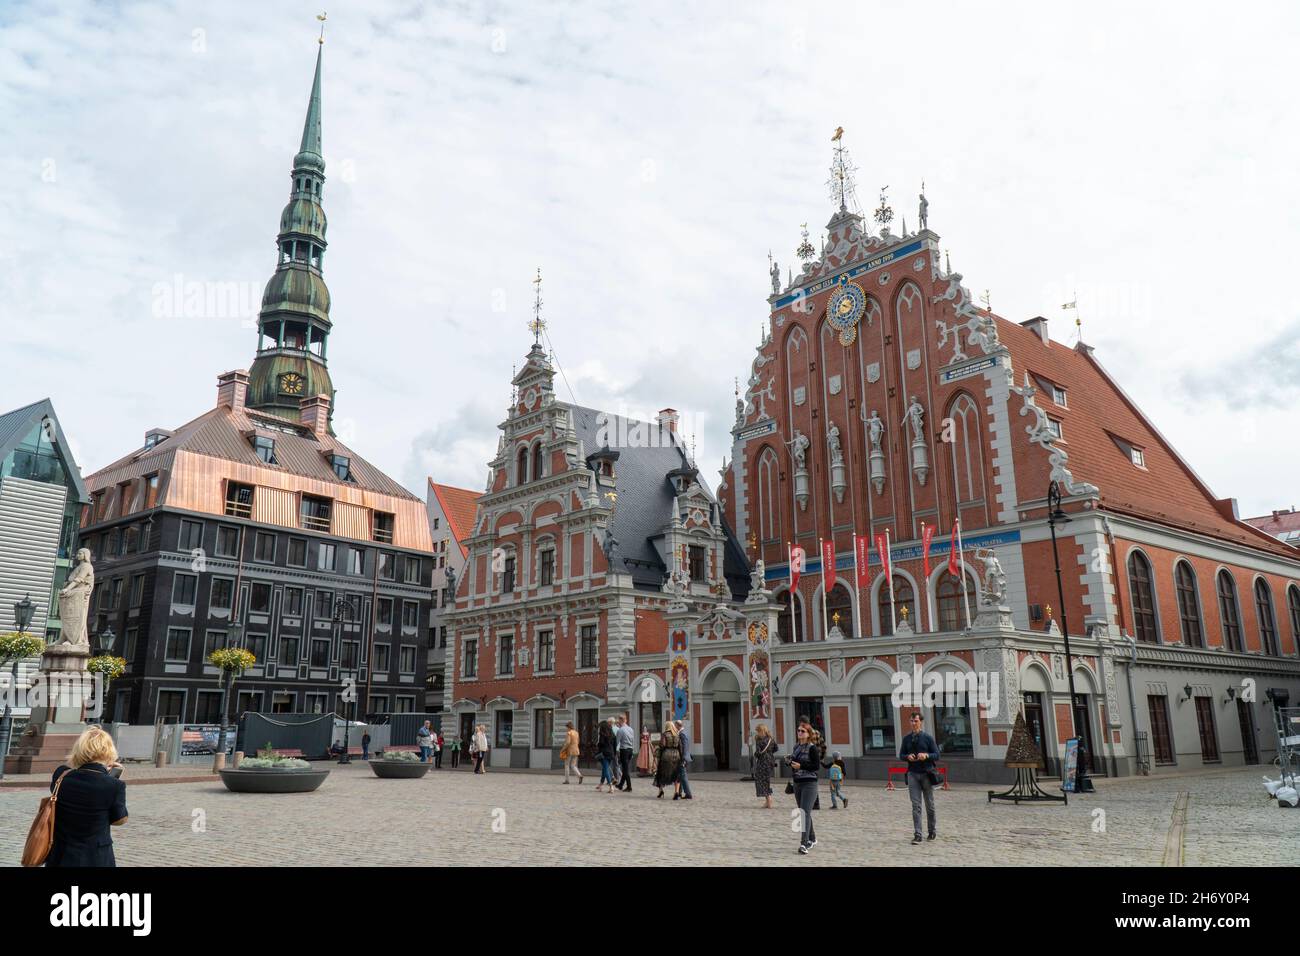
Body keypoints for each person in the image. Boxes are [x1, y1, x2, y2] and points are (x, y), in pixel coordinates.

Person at [46, 726, 128, 867]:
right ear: (109, 751)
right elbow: (119, 819)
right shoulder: (114, 785)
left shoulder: (61, 775)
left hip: (60, 854)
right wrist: (111, 775)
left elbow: (74, 770)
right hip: (95, 857)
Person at [900, 711, 939, 844]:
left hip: (926, 774)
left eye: (916, 721)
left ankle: (932, 830)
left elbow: (937, 754)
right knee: (915, 805)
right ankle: (918, 834)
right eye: (911, 721)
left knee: (930, 805)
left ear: (920, 722)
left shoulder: (927, 738)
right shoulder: (906, 739)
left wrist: (926, 756)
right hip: (912, 774)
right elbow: (901, 754)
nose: (913, 723)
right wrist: (907, 757)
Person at [789, 721, 820, 854]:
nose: (799, 733)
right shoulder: (796, 747)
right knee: (804, 811)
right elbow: (795, 763)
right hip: (797, 783)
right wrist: (789, 762)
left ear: (808, 734)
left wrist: (800, 766)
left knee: (804, 813)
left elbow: (816, 766)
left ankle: (804, 844)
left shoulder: (812, 748)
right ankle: (812, 838)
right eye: (798, 730)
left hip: (809, 783)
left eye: (802, 731)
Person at [752, 724, 778, 809]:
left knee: (760, 780)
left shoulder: (759, 741)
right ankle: (767, 801)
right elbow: (776, 748)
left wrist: (756, 754)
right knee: (766, 780)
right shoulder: (771, 739)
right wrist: (769, 754)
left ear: (761, 731)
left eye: (758, 731)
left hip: (762, 763)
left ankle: (768, 799)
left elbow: (758, 753)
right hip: (770, 762)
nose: (757, 733)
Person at [654, 722, 681, 799]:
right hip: (676, 755)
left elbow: (662, 745)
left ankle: (661, 790)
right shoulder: (677, 734)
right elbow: (680, 746)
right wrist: (681, 758)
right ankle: (676, 792)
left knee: (661, 772)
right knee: (676, 774)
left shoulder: (665, 734)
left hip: (666, 755)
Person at [615, 714, 636, 792]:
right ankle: (620, 785)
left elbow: (617, 742)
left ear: (621, 720)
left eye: (619, 720)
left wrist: (614, 751)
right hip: (630, 750)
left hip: (624, 750)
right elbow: (633, 740)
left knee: (625, 769)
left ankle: (629, 786)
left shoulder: (620, 730)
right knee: (625, 768)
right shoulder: (631, 729)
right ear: (626, 720)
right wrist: (633, 751)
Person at [673, 720, 693, 800]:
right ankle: (679, 793)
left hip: (683, 758)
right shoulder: (685, 732)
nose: (674, 728)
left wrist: (683, 759)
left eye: (675, 726)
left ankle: (688, 793)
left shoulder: (682, 734)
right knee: (679, 776)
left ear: (678, 726)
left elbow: (684, 747)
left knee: (683, 776)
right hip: (683, 758)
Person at [596, 718, 617, 793]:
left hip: (604, 753)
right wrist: (614, 753)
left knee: (606, 769)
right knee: (605, 768)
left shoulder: (602, 734)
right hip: (611, 753)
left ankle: (611, 786)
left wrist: (598, 746)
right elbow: (615, 744)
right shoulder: (612, 734)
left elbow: (601, 744)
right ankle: (601, 784)